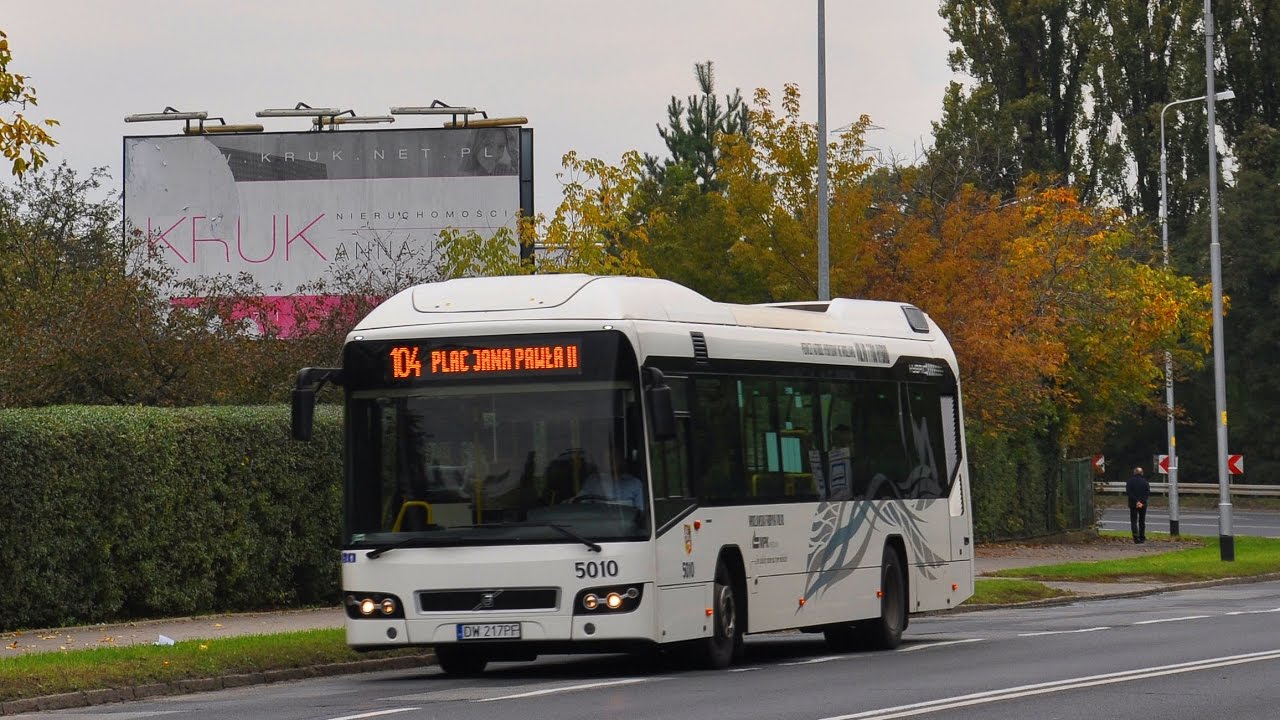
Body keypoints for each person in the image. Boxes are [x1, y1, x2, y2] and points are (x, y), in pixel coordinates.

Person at [578, 446, 645, 509]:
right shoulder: (592, 481)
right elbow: (580, 505)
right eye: (607, 458)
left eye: (614, 458)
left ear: (621, 460)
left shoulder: (635, 484)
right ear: (601, 462)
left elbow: (640, 513)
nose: (611, 461)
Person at [1126, 466, 1150, 544]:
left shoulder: (1130, 481)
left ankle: (1135, 537)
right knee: (1142, 521)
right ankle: (1142, 537)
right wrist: (1141, 502)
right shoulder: (1145, 481)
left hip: (1133, 503)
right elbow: (1147, 493)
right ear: (1142, 473)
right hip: (1143, 504)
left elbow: (1129, 493)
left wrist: (1136, 501)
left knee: (1134, 521)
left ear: (1134, 472)